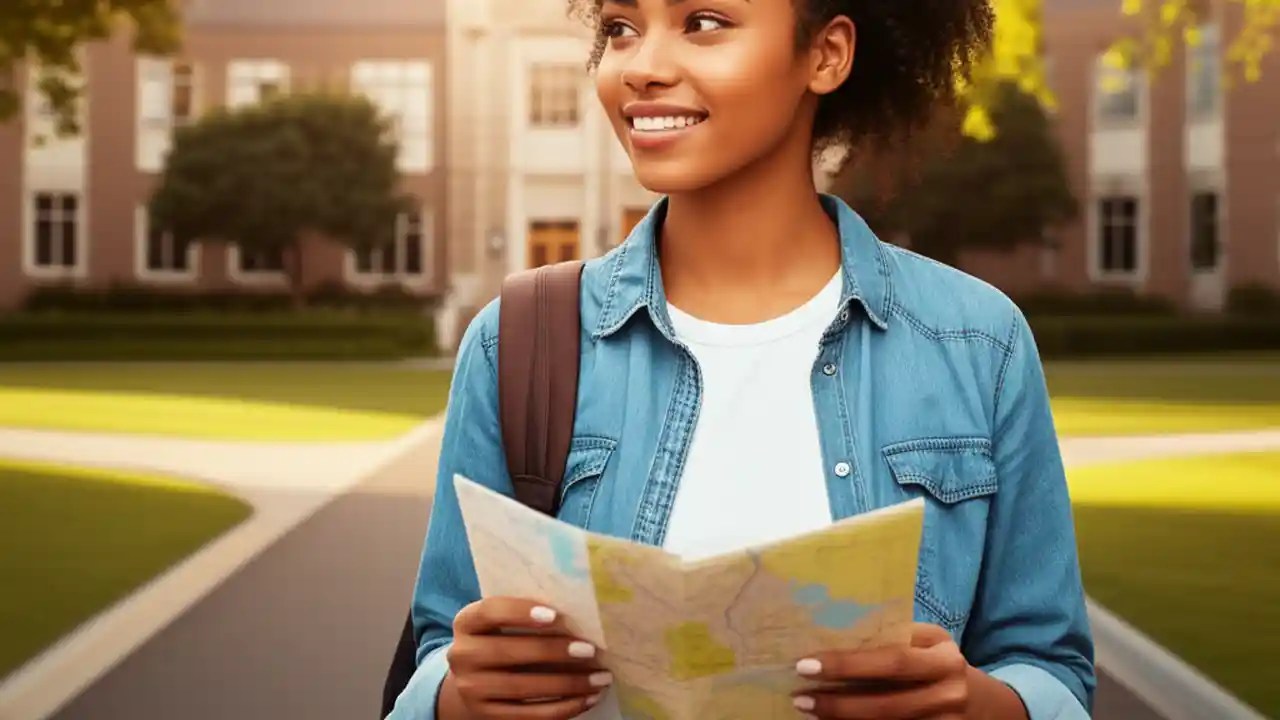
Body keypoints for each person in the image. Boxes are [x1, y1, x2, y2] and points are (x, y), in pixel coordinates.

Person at [388, 0, 1095, 717]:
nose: (643, 67)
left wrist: (970, 703)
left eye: (702, 22)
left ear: (826, 55)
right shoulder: (517, 339)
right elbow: (437, 657)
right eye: (620, 30)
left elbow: (1051, 669)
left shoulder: (976, 342)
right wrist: (459, 695)